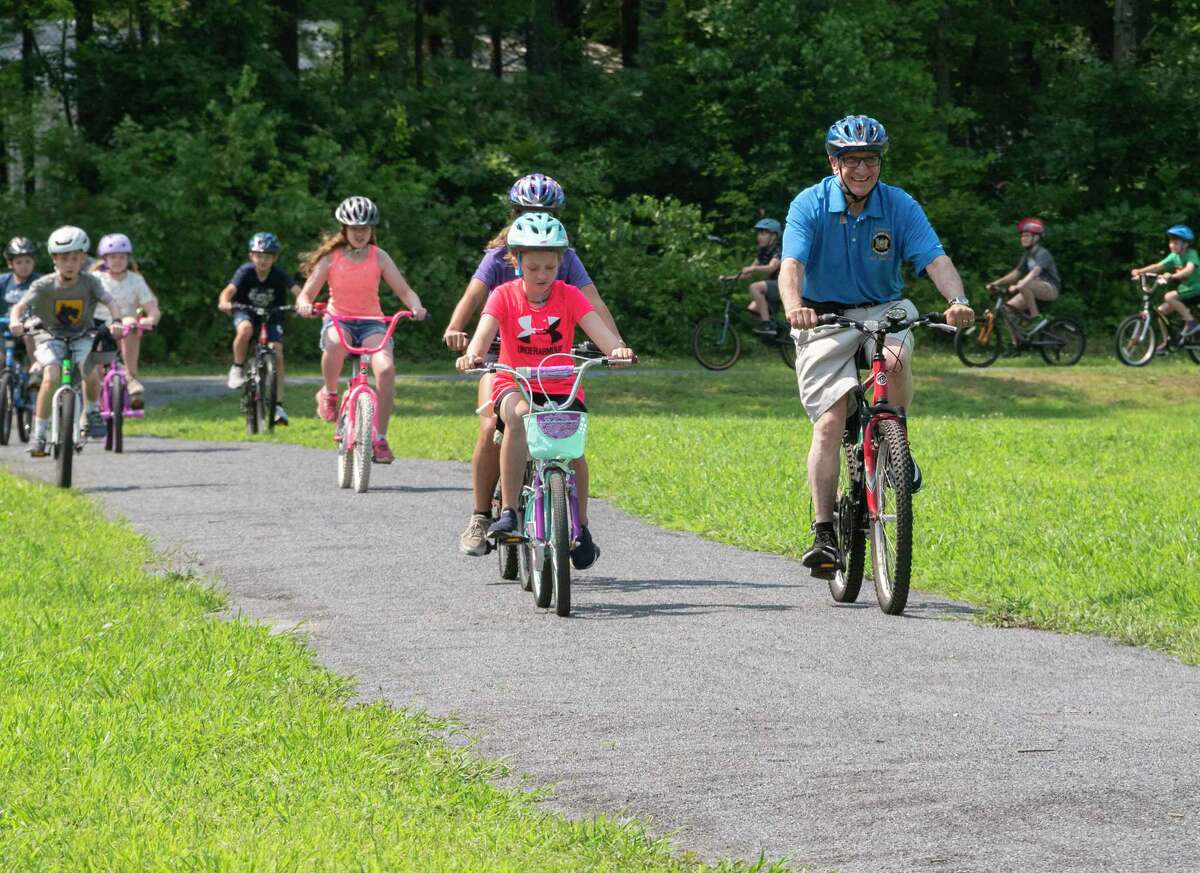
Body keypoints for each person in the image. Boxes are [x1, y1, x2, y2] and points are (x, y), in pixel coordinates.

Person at [777, 115, 974, 577]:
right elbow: (791, 266)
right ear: (835, 164)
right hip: (823, 315)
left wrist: (957, 301)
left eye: (870, 160)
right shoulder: (809, 204)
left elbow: (935, 258)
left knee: (897, 359)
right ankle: (824, 533)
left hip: (884, 307)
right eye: (852, 161)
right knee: (829, 423)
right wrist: (794, 306)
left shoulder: (899, 204)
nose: (862, 169)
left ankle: (894, 443)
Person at [442, 173, 623, 557]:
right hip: (503, 361)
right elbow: (475, 302)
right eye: (533, 267)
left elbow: (594, 309)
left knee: (571, 444)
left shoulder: (565, 269)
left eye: (549, 267)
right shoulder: (499, 263)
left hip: (556, 373)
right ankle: (486, 514)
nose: (542, 274)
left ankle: (579, 525)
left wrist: (617, 347)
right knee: (497, 423)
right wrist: (463, 340)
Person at [295, 195, 428, 464]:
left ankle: (380, 438)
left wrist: (416, 306)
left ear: (371, 230)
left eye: (365, 229)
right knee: (335, 343)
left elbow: (404, 291)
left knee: (386, 369)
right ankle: (330, 392)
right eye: (354, 228)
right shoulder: (331, 259)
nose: (359, 234)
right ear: (344, 229)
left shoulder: (379, 257)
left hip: (371, 323)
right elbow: (305, 294)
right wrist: (305, 305)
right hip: (339, 320)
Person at [9, 226, 135, 456]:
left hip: (82, 335)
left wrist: (116, 320)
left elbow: (110, 301)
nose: (70, 264)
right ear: (54, 259)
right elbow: (20, 306)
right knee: (51, 377)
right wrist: (15, 321)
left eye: (75, 258)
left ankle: (92, 412)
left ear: (83, 259)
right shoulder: (44, 284)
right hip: (50, 336)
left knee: (91, 373)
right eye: (64, 258)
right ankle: (39, 435)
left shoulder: (90, 282)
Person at [217, 232, 300, 425]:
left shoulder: (278, 274)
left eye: (268, 256)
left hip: (272, 315)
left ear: (274, 258)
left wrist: (302, 303)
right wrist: (225, 301)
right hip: (246, 311)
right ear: (251, 256)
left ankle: (278, 406)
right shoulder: (245, 271)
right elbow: (228, 291)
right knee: (245, 330)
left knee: (277, 353)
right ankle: (237, 367)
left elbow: (297, 290)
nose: (263, 260)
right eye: (259, 255)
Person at [89, 233, 160, 408]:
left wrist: (151, 318)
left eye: (122, 257)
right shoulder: (95, 279)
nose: (117, 261)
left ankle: (130, 377)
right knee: (95, 372)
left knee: (129, 321)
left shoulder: (135, 280)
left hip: (125, 329)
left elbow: (152, 307)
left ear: (128, 259)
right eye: (113, 257)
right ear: (105, 259)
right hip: (98, 327)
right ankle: (92, 399)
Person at [985, 217, 1061, 327]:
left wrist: (1019, 286)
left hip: (1051, 288)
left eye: (1027, 236)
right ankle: (1017, 337)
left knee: (1024, 284)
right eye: (1022, 236)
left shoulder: (1043, 253)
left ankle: (1036, 318)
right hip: (1031, 287)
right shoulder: (1027, 255)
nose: (1023, 238)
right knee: (1006, 310)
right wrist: (995, 283)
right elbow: (1015, 274)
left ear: (1036, 238)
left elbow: (1034, 273)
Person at [1130, 224, 1200, 341]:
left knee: (1169, 296)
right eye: (1170, 242)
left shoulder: (1191, 254)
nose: (1171, 245)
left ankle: (1191, 323)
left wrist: (1172, 276)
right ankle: (1167, 342)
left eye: (1176, 243)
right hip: (1185, 291)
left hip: (1196, 289)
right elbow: (1157, 266)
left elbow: (1189, 270)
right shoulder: (1174, 256)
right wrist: (1140, 271)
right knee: (1160, 312)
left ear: (1185, 244)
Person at [722, 218, 783, 335]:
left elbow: (772, 267)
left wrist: (753, 269)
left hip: (783, 285)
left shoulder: (779, 249)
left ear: (774, 236)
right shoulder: (763, 252)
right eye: (759, 233)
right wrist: (730, 278)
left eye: (763, 233)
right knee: (752, 310)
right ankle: (774, 331)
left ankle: (767, 324)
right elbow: (748, 273)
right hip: (773, 287)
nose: (759, 237)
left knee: (754, 287)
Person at [1, 237, 41, 364]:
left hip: (30, 329)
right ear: (10, 263)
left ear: (33, 261)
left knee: (29, 335)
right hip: (4, 329)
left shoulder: (40, 282)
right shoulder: (3, 281)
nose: (24, 266)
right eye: (19, 262)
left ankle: (36, 368)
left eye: (27, 261)